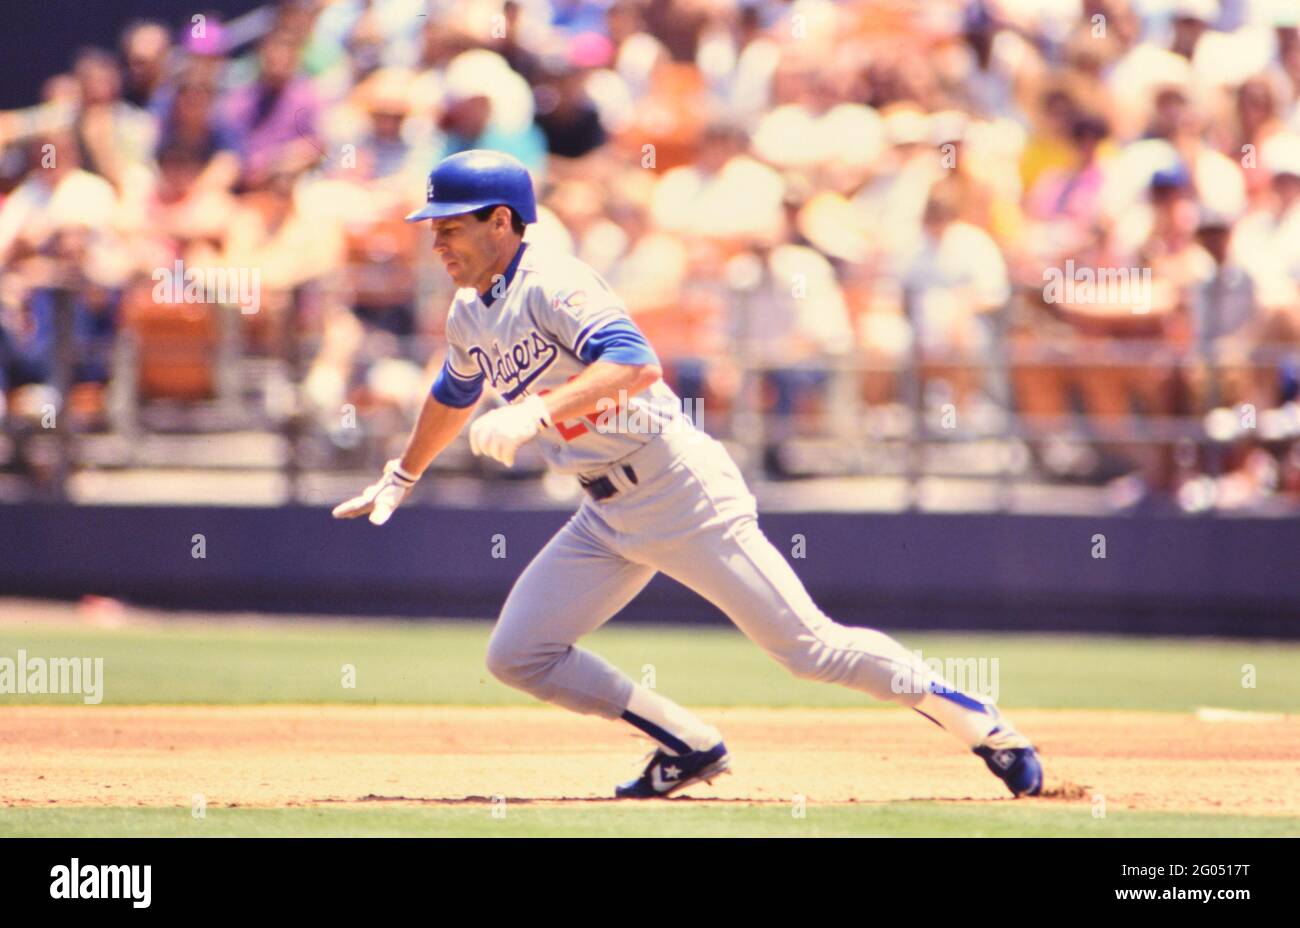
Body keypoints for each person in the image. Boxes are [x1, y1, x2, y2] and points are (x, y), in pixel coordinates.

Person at [331, 149, 1044, 799]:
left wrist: (537, 412)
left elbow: (637, 364)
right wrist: (402, 474)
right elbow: (455, 393)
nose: (436, 241)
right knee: (519, 655)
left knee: (809, 650)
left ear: (500, 221)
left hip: (678, 485)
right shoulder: (468, 311)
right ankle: (688, 744)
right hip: (604, 513)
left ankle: (982, 726)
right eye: (433, 228)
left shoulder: (554, 281)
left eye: (449, 226)